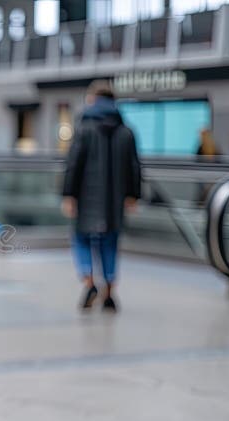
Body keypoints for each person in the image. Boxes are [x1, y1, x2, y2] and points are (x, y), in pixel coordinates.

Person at [62, 80, 141, 313]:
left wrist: (69, 195)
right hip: (114, 200)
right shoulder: (126, 131)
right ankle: (109, 291)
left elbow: (73, 164)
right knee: (110, 242)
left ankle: (89, 282)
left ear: (92, 99)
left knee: (81, 239)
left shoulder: (84, 127)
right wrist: (132, 195)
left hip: (86, 198)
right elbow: (134, 166)